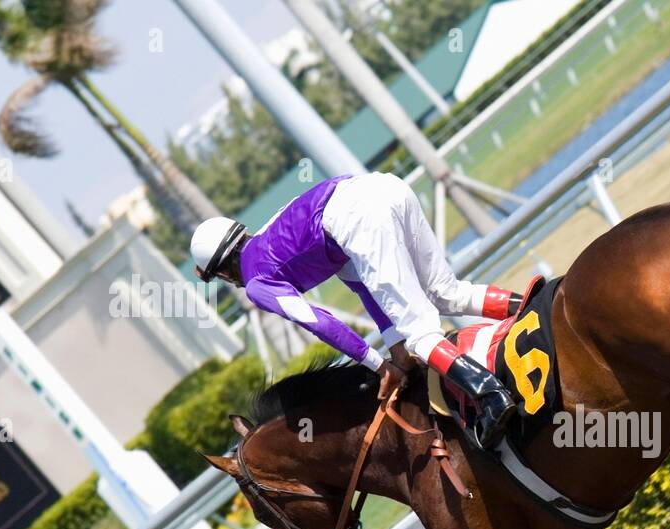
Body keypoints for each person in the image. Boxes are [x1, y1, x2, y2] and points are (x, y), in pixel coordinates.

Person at [190, 172, 520, 447]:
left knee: (421, 336)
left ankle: (491, 395)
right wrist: (395, 348)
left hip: (355, 217)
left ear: (221, 272)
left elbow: (319, 322)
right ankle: (531, 305)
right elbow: (363, 283)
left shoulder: (256, 283)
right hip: (384, 187)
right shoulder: (273, 233)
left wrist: (379, 367)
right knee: (447, 293)